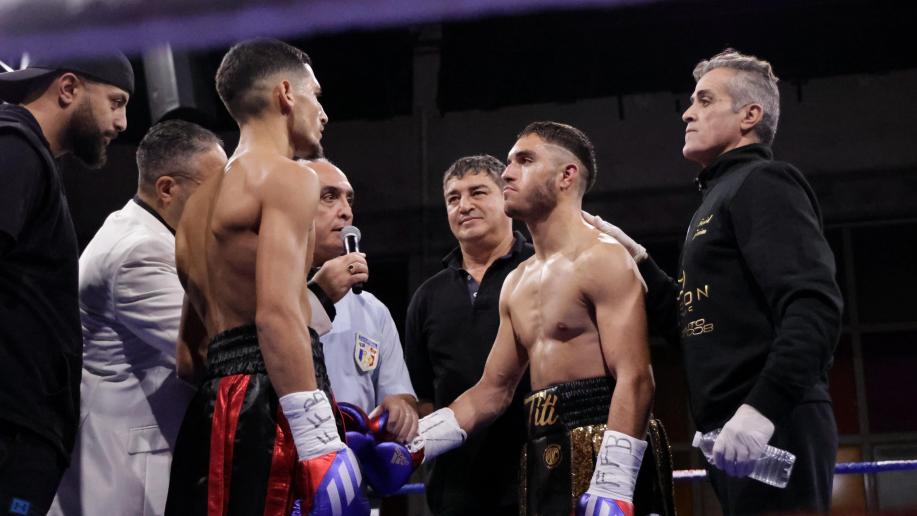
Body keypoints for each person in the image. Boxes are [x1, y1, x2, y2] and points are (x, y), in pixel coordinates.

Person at [587, 49, 843, 515]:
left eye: (705, 101)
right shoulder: (717, 199)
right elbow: (695, 324)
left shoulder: (764, 182)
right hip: (731, 436)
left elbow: (814, 306)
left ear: (750, 115)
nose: (688, 112)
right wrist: (637, 261)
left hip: (773, 424)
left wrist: (762, 410)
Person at [408, 122, 675, 516]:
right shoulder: (518, 281)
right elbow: (491, 392)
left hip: (605, 441)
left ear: (568, 176)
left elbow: (635, 378)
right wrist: (414, 444)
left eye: (525, 160)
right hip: (542, 452)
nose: (508, 172)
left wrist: (614, 482)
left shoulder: (603, 257)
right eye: (510, 162)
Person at [163, 39, 368, 516]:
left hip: (212, 408)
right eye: (315, 94)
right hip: (270, 403)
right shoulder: (289, 178)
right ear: (285, 94)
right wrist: (318, 440)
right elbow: (276, 316)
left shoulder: (194, 209)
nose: (323, 112)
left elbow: (188, 359)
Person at [49, 120, 227, 516]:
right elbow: (217, 350)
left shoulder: (143, 233)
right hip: (126, 471)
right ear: (167, 188)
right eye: (216, 190)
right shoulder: (139, 252)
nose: (226, 203)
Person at [0, 52, 132, 515]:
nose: (122, 122)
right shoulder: (13, 147)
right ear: (69, 89)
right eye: (115, 102)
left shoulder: (27, 154)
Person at [404, 155, 533, 515]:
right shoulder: (427, 297)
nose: (464, 206)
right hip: (455, 487)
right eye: (453, 198)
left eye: (477, 192)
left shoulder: (542, 270)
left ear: (506, 196)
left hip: (538, 479)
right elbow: (423, 398)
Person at [305, 158, 418, 443]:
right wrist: (320, 296)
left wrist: (400, 410)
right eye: (329, 197)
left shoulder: (372, 309)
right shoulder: (263, 291)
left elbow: (399, 393)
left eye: (349, 199)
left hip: (355, 474)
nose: (345, 212)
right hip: (283, 468)